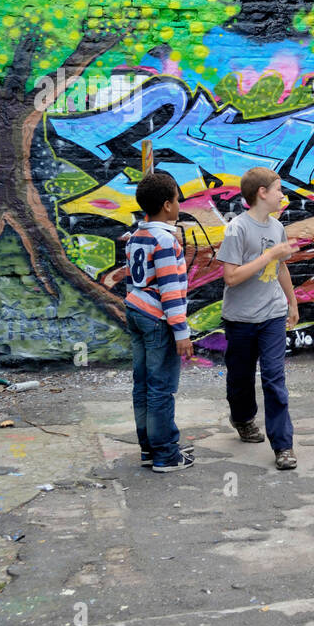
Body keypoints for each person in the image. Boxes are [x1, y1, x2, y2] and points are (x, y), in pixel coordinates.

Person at [217, 167, 300, 471]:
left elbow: (280, 268)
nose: (283, 194)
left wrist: (292, 301)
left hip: (272, 316)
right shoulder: (236, 229)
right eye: (279, 189)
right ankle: (242, 418)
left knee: (274, 379)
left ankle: (283, 446)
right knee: (240, 379)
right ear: (262, 193)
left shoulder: (277, 227)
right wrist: (269, 255)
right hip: (240, 319)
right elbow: (231, 277)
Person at [125, 171, 195, 472]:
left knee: (142, 386)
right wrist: (181, 331)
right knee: (161, 388)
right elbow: (170, 289)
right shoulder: (165, 241)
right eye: (178, 199)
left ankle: (149, 450)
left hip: (136, 312)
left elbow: (133, 282)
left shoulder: (136, 236)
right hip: (158, 320)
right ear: (167, 205)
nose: (180, 204)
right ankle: (166, 454)